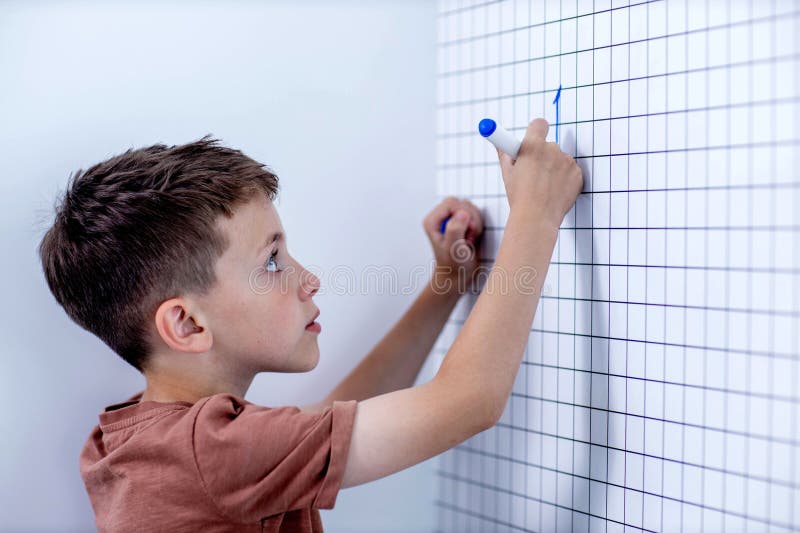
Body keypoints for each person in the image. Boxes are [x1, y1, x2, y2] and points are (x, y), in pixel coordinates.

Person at [37, 118, 582, 532]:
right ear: (186, 323)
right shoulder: (205, 453)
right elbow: (468, 403)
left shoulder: (138, 441)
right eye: (272, 261)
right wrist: (536, 213)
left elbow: (333, 420)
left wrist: (448, 283)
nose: (310, 279)